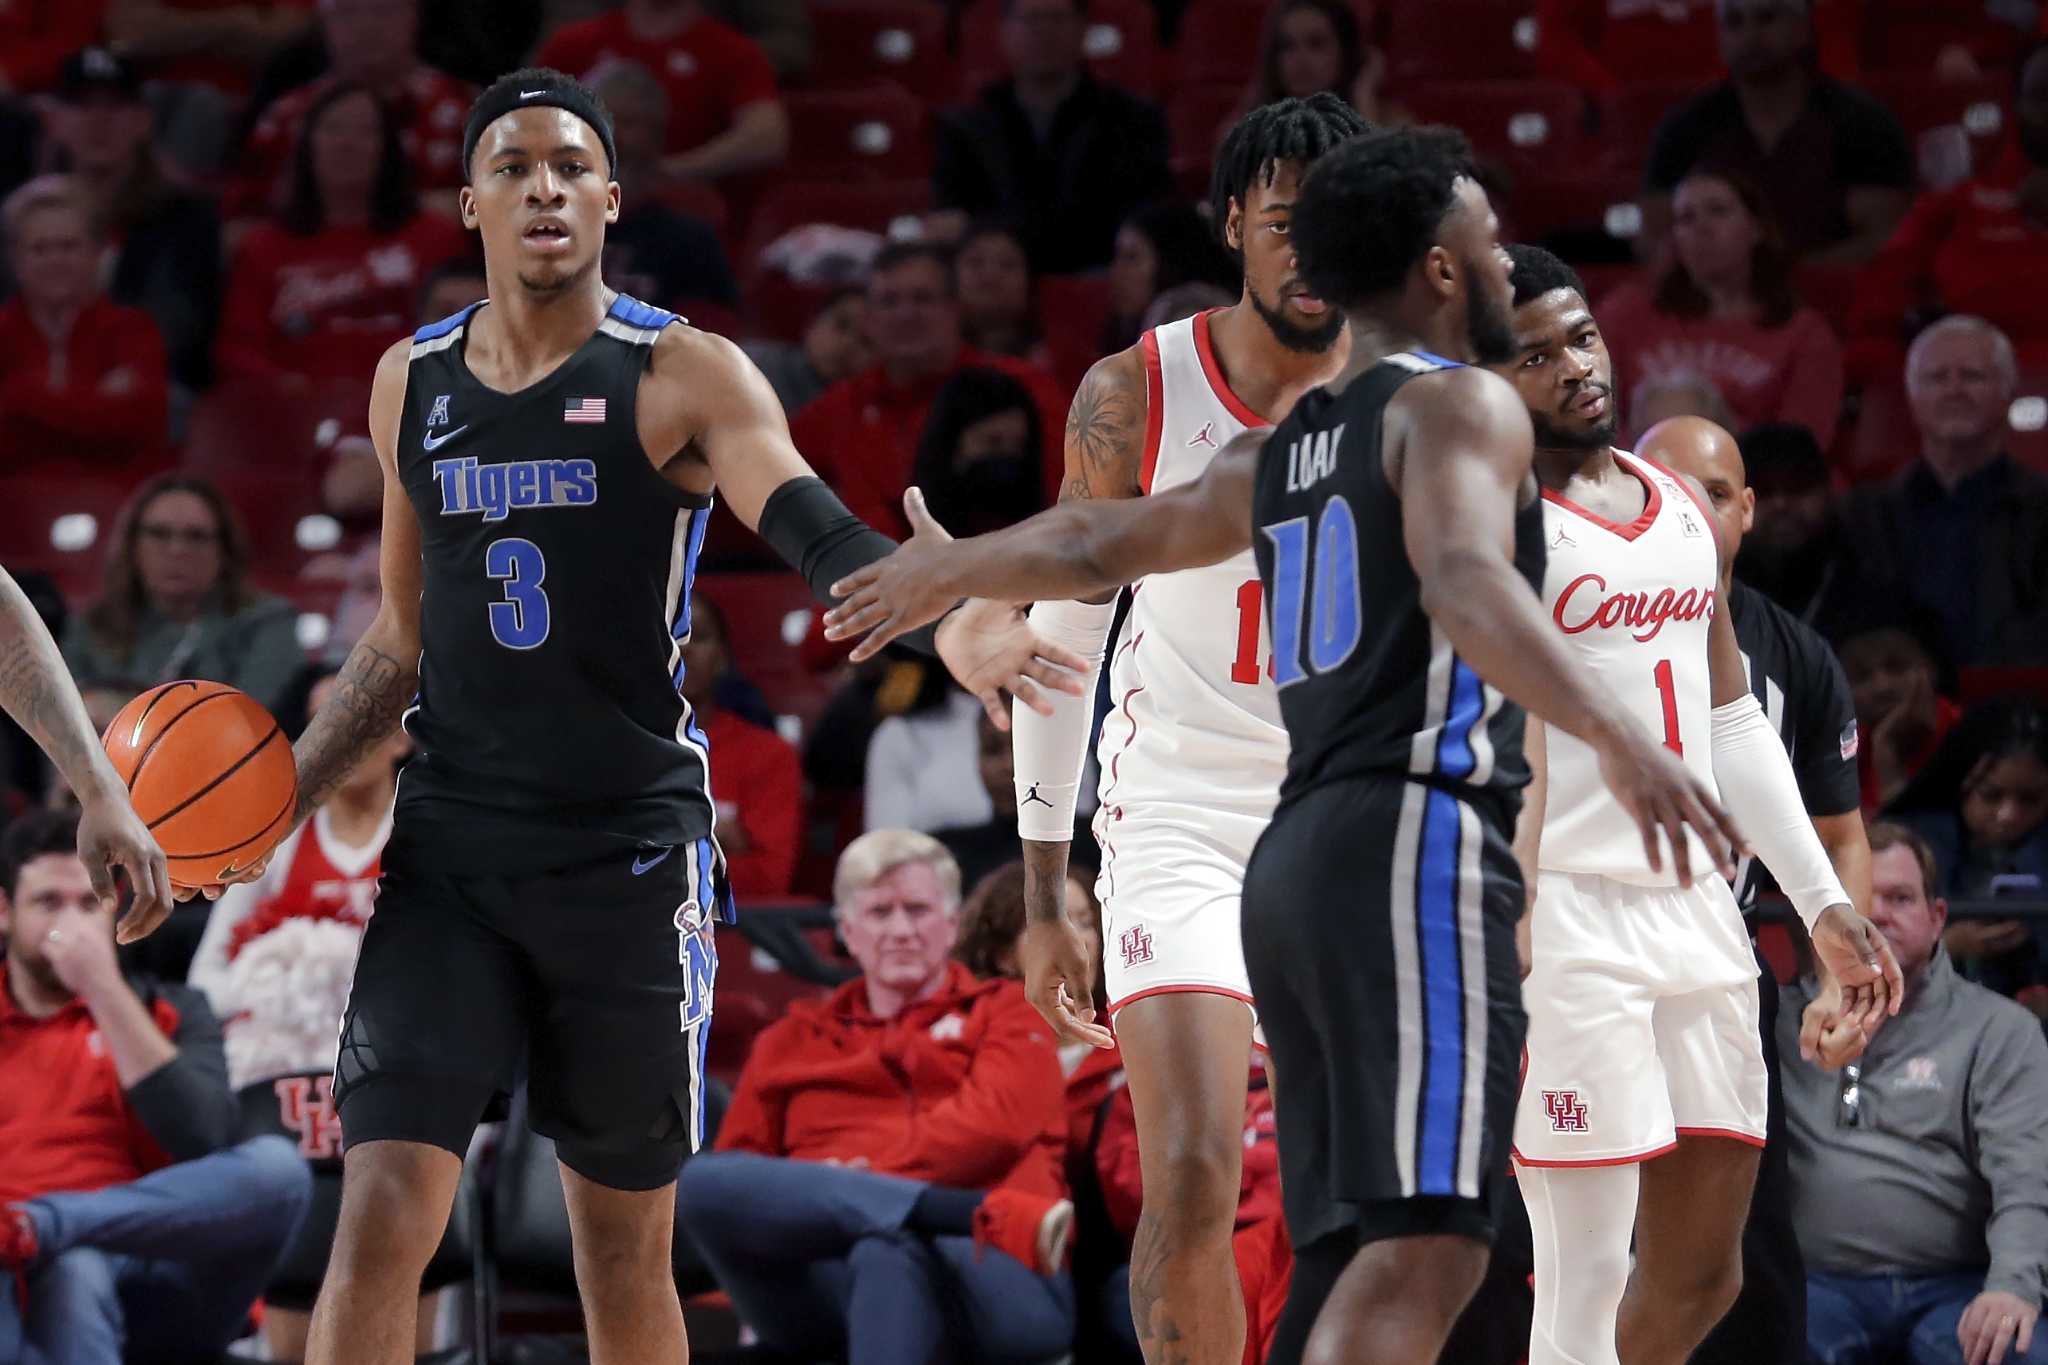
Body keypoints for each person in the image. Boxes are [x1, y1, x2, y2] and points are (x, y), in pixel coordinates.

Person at [819, 124, 1804, 1365]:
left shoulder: (1285, 443)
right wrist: (1616, 731)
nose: (1507, 260)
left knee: (1377, 1231)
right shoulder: (1455, 410)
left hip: (1299, 848)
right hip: (1398, 837)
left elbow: (1097, 546)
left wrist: (954, 570)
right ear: (1435, 266)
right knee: (1424, 1240)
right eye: (1487, 241)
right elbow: (1459, 574)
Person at [192, 68, 1081, 1365]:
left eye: (569, 165)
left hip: (626, 854)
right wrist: (278, 798)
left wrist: (951, 625)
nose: (543, 186)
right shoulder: (411, 385)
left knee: (620, 1245)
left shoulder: (683, 371)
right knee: (382, 1214)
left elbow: (815, 527)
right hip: (452, 851)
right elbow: (396, 642)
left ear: (611, 197)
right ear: (469, 203)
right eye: (514, 166)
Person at [917, 95, 1376, 1365]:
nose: (1313, 251)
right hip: (1180, 813)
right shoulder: (1140, 390)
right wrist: (1051, 884)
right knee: (1188, 1168)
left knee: (1371, 1202)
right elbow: (1064, 638)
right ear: (1233, 223)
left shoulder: (1421, 391)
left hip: (1354, 813)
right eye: (1286, 222)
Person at [1489, 240, 1896, 1365]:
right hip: (1567, 914)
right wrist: (1509, 917)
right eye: (1534, 355)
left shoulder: (1672, 501)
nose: (1573, 366)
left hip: (1698, 914)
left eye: (1579, 336)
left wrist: (1820, 908)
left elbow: (1729, 722)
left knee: (1704, 1270)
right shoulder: (1493, 523)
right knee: (1579, 1270)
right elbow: (1499, 736)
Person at [1635, 401, 1878, 1365]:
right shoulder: (1574, 606)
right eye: (1669, 486)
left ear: (1748, 515)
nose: (1693, 506)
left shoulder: (1797, 658)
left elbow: (1840, 835)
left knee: (1744, 1261)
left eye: (1719, 492)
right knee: (1559, 1237)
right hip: (1591, 952)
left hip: (1724, 964)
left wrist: (1834, 969)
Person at [674, 831, 1077, 1364]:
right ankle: (960, 1210)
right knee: (703, 1182)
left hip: (996, 1273)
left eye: (917, 910)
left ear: (952, 924)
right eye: (880, 912)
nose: (901, 930)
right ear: (847, 930)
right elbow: (749, 1191)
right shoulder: (789, 1041)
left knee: (885, 1248)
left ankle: (937, 1218)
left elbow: (994, 1128)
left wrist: (851, 1184)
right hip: (825, 1282)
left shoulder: (1006, 1012)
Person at [0, 808, 313, 1365]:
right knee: (75, 1268)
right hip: (13, 1272)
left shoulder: (170, 1010)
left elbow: (204, 1139)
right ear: (4, 912)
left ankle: (50, 1223)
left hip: (155, 1270)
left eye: (89, 902)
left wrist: (102, 988)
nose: (72, 925)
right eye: (49, 903)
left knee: (278, 1171)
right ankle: (46, 1235)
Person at [1781, 824, 2048, 1365]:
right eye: (1858, 900)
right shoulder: (1778, 1022)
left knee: (2014, 1352)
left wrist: (2013, 1285)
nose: (1876, 916)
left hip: (1956, 1284)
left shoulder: (2000, 1029)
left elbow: (2025, 1173)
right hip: (1816, 1285)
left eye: (1900, 899)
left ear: (1938, 919)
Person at [788, 242, 1067, 542]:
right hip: (869, 579)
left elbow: (1067, 502)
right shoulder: (842, 405)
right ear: (868, 320)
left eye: (922, 299)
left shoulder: (1022, 388)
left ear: (955, 309)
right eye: (889, 301)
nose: (906, 314)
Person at [216, 82, 468, 385]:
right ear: (308, 146)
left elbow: (463, 337)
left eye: (366, 132)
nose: (348, 143)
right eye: (334, 129)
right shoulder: (262, 249)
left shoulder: (434, 239)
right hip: (294, 412)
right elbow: (237, 350)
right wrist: (282, 386)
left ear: (388, 148)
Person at [1838, 317, 2048, 668]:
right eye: (1938, 377)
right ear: (1912, 395)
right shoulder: (1863, 516)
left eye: (1972, 376)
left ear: (2008, 392)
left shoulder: (2042, 508)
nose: (1955, 390)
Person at [1641, 0, 1913, 263]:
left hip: (1838, 297)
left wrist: (1789, 281)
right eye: (1735, 22)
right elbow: (1655, 236)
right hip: (1712, 300)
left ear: (1803, 27)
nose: (1751, 36)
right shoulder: (1684, 128)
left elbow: (1886, 237)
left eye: (1767, 17)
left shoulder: (1864, 124)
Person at [1598, 167, 1845, 447]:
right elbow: (1588, 419)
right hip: (1636, 475)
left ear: (1756, 228)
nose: (1701, 227)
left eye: (1718, 211)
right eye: (1686, 218)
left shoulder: (1805, 333)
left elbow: (1800, 446)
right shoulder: (1625, 314)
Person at [1848, 41, 2048, 386]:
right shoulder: (1954, 206)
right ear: (2017, 107)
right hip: (1974, 399)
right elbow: (1872, 324)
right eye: (2044, 96)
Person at [930, 0, 1175, 274]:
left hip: (1099, 271)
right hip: (998, 275)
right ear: (1005, 30)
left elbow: (1140, 216)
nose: (1044, 32)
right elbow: (953, 219)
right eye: (1032, 20)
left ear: (1082, 28)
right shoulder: (966, 126)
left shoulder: (1134, 120)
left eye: (1056, 19)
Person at [36, 46, 225, 395]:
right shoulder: (25, 215)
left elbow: (176, 332)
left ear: (143, 121)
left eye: (115, 106)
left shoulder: (186, 217)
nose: (99, 121)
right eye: (82, 105)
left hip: (145, 394)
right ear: (55, 121)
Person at [60, 475, 304, 714]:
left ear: (224, 550)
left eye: (196, 536)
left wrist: (112, 707)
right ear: (132, 546)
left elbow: (246, 718)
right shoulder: (93, 624)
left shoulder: (268, 622)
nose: (177, 550)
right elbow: (61, 729)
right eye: (159, 534)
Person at [228, 0, 473, 223]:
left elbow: (501, 205)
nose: (366, 27)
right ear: (324, 24)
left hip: (437, 264)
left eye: (382, 11)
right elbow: (239, 226)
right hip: (309, 263)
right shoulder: (285, 117)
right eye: (348, 12)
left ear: (414, 17)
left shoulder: (466, 107)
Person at [0, 174, 170, 473]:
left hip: (111, 499)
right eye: (40, 248)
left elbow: (139, 427)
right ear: (16, 261)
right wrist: (96, 404)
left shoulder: (133, 331)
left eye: (69, 246)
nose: (55, 260)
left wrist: (20, 398)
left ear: (96, 253)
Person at [1888, 699, 2048, 1012]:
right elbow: (1864, 955)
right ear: (1960, 782)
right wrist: (1944, 946)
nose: (2007, 815)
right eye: (1991, 795)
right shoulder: (1907, 845)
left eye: (2029, 799)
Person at [535, 0, 788, 183]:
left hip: (682, 213)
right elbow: (521, 124)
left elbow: (766, 137)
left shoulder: (734, 54)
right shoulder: (572, 44)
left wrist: (671, 172)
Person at [678, 594, 801, 899]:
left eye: (699, 636)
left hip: (734, 937)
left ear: (721, 657)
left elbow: (769, 879)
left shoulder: (769, 754)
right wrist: (716, 837)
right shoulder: (616, 752)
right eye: (669, 635)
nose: (683, 648)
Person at [591, 61, 739, 310]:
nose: (612, 136)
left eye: (627, 123)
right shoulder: (554, 214)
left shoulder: (690, 221)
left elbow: (713, 319)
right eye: (602, 122)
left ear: (657, 134)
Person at [1838, 611, 1962, 812]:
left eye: (1897, 667)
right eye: (1862, 676)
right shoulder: (1846, 749)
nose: (1882, 687)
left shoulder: (1964, 735)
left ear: (1930, 670)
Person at [910, 366, 1050, 539]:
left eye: (1019, 445)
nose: (1008, 455)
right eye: (993, 443)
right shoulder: (907, 535)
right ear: (952, 446)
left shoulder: (1044, 537)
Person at [1103, 198, 1239, 354]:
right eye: (1117, 257)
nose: (1117, 272)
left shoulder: (1185, 317)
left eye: (1132, 258)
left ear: (1168, 261)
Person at [741, 284, 871, 418]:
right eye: (842, 324)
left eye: (865, 341)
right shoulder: (746, 364)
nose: (848, 343)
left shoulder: (862, 415)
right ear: (813, 320)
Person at [956, 220, 1046, 365]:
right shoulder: (932, 358)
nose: (990, 275)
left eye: (1007, 264)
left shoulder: (1052, 357)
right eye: (976, 262)